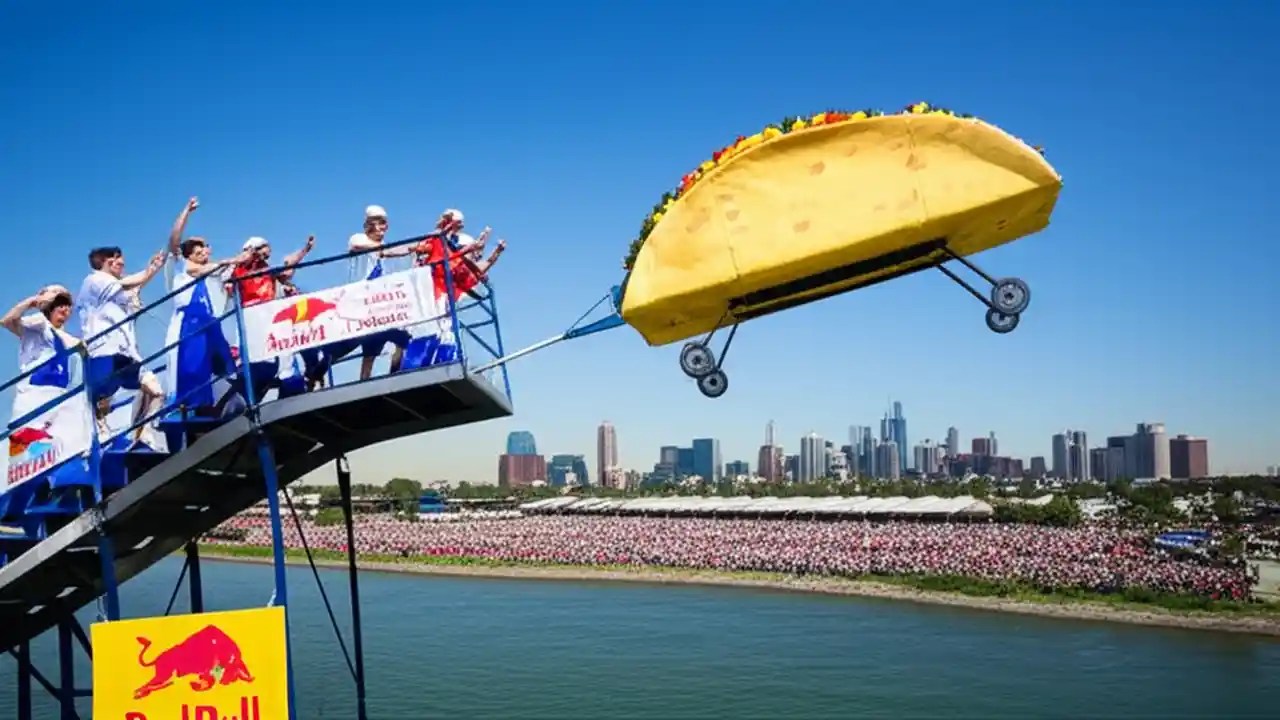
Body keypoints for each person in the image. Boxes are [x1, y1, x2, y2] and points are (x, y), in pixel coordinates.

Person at [163, 197, 249, 415]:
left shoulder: (212, 272)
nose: (202, 252)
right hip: (189, 324)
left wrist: (242, 259)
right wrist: (187, 211)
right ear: (188, 255)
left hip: (209, 322)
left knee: (226, 365)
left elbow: (228, 273)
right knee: (191, 368)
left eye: (204, 248)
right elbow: (174, 240)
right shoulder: (181, 266)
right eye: (197, 250)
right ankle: (187, 409)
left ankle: (228, 403)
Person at [77, 246, 166, 441]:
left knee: (156, 392)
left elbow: (133, 288)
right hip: (102, 351)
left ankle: (140, 436)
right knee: (99, 404)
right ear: (106, 262)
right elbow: (129, 283)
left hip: (127, 353)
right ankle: (97, 441)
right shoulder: (94, 281)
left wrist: (154, 267)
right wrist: (148, 272)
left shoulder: (116, 289)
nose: (122, 264)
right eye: (117, 260)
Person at [344, 204, 415, 380]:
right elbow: (357, 246)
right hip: (361, 301)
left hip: (377, 305)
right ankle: (362, 381)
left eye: (384, 223)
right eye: (379, 223)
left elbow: (394, 251)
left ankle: (394, 374)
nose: (383, 227)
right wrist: (382, 248)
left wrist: (415, 247)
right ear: (369, 224)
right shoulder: (358, 238)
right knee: (368, 351)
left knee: (403, 339)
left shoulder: (381, 246)